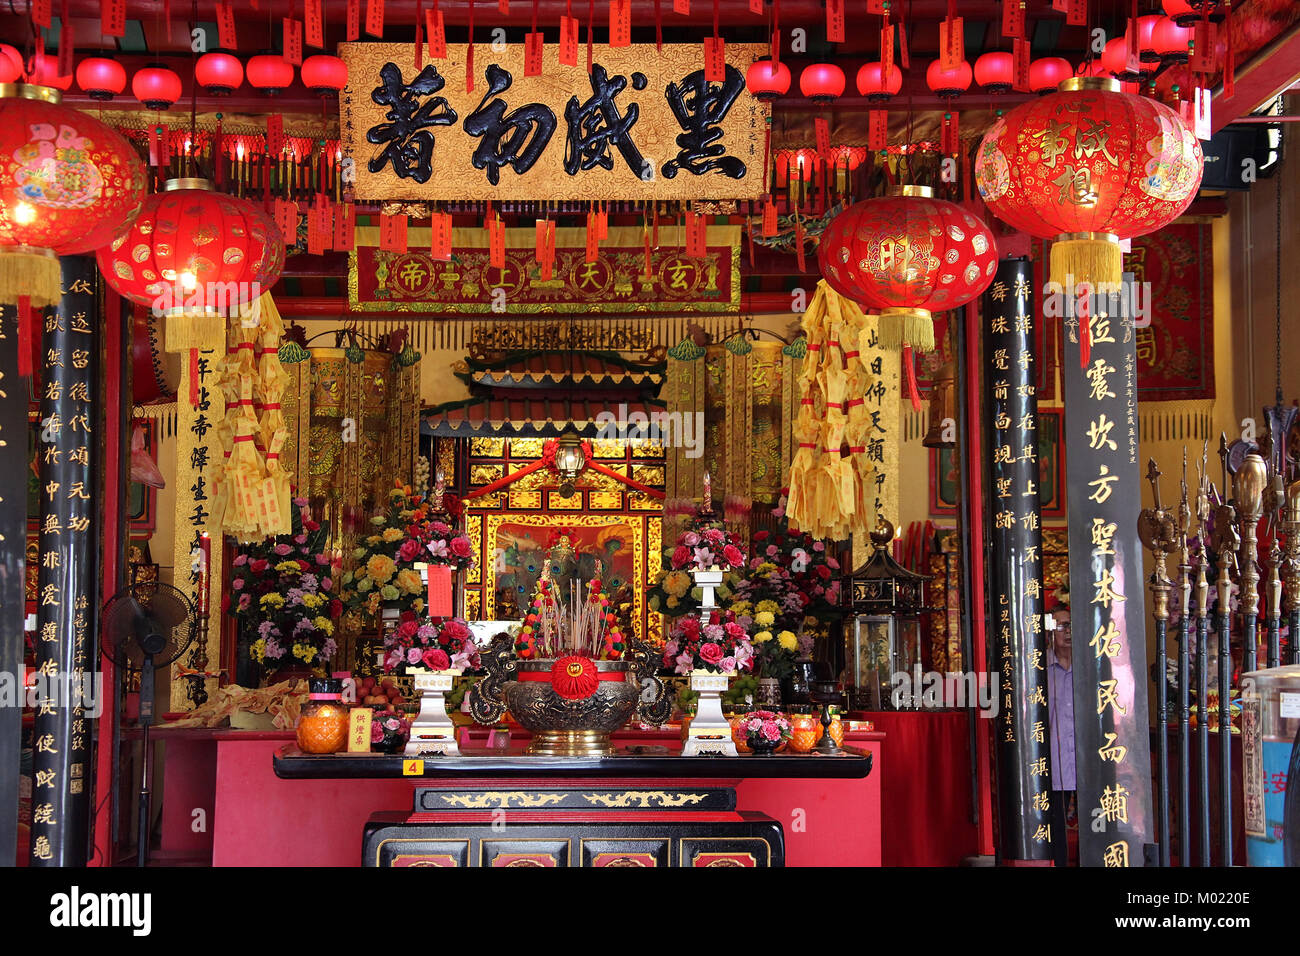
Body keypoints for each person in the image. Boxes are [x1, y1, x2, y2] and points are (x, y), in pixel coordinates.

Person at [1045, 593, 1076, 867]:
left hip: (1085, 759)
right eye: (1060, 626)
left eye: (1070, 625)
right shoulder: (1040, 670)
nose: (1066, 632)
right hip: (1054, 763)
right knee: (1057, 832)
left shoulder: (1090, 667)